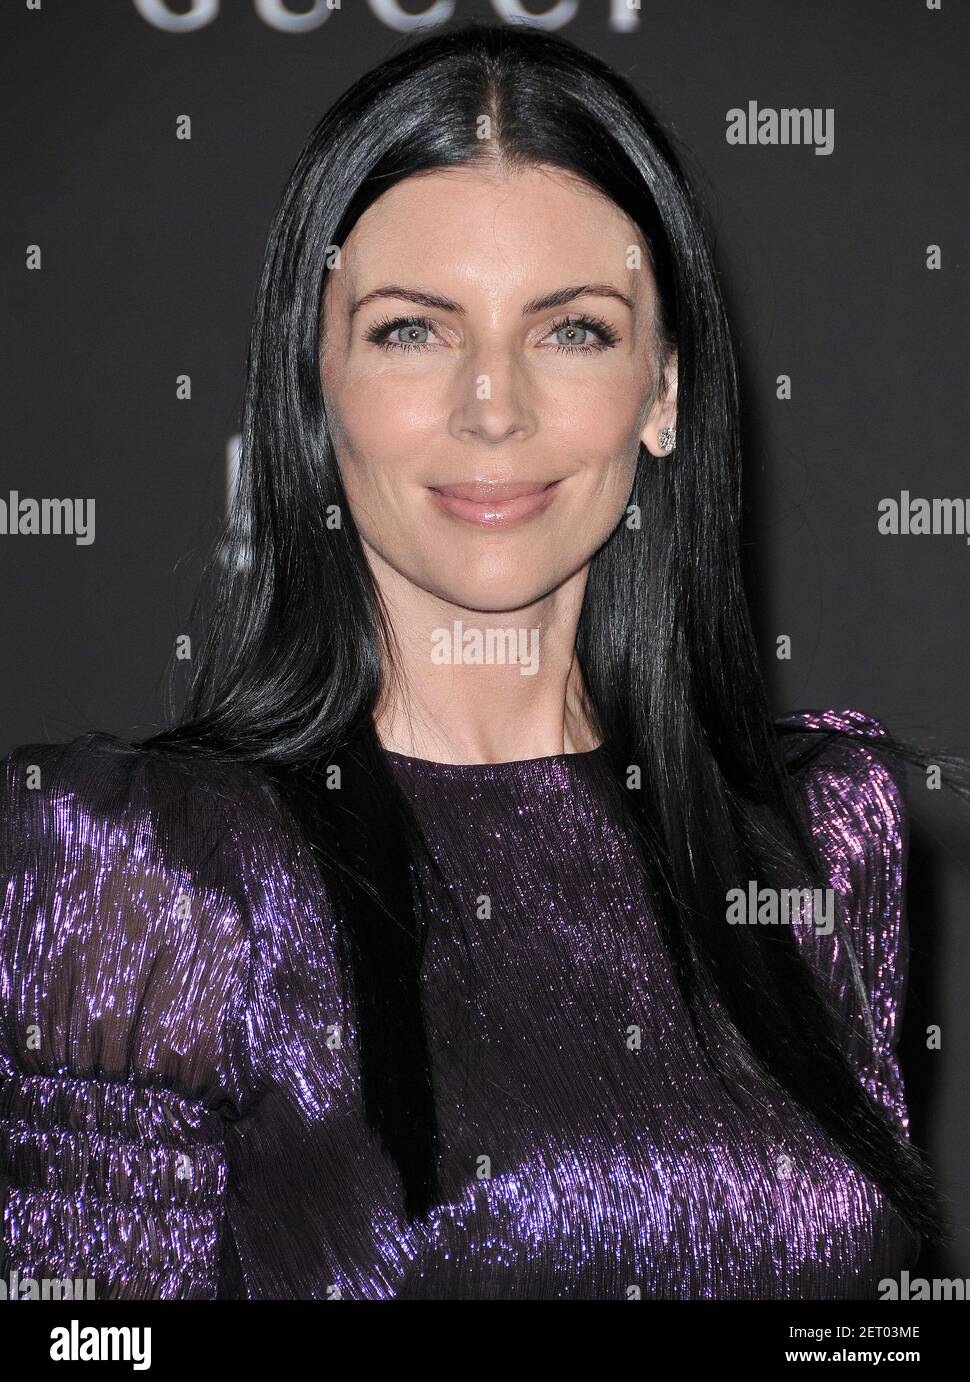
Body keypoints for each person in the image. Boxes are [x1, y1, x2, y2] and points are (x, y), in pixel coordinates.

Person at [0, 20, 966, 1300]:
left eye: (571, 330)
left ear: (663, 389)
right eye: (413, 329)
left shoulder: (822, 839)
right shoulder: (143, 870)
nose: (492, 405)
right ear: (316, 377)